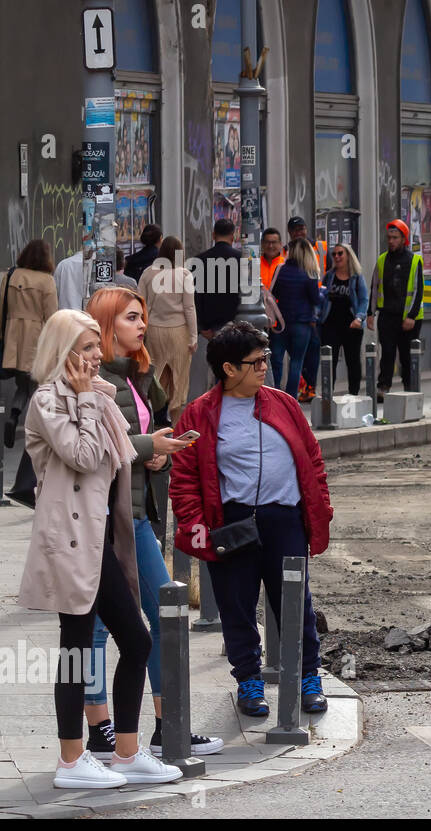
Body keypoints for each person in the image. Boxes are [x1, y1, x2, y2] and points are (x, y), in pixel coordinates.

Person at [18, 309, 183, 789]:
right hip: (70, 542)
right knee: (76, 649)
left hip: (101, 538)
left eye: (97, 347)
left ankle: (127, 753)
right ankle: (71, 762)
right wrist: (89, 398)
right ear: (63, 351)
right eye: (87, 348)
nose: (97, 356)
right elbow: (85, 456)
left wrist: (152, 452)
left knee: (136, 640)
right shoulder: (48, 401)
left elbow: (120, 456)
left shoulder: (97, 395)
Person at [81, 288, 224, 759]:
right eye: (131, 317)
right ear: (106, 324)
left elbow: (139, 439)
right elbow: (100, 449)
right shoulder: (93, 378)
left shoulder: (136, 375)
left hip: (137, 514)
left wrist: (157, 454)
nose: (142, 325)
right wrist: (151, 449)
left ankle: (168, 723)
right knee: (106, 626)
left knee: (166, 615)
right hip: (104, 519)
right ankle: (101, 729)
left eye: (141, 317)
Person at [169, 321, 334, 717]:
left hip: (285, 519)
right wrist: (198, 528)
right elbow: (184, 478)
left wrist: (321, 508)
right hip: (233, 522)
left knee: (296, 604)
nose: (264, 367)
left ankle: (308, 677)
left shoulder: (284, 404)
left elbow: (312, 459)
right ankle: (249, 682)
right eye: (256, 361)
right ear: (229, 368)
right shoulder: (199, 414)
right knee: (236, 606)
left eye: (266, 358)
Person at [2, 240, 59, 446]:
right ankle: (39, 428)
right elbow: (52, 316)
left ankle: (14, 415)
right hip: (36, 339)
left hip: (12, 338)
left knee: (24, 383)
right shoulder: (46, 281)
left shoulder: (11, 275)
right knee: (41, 385)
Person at [140, 236, 198, 424]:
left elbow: (141, 304)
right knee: (179, 377)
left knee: (156, 375)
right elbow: (189, 308)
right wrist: (193, 336)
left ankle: (153, 417)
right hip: (178, 331)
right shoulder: (184, 275)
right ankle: (176, 422)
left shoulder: (148, 273)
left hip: (155, 331)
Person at [367, 219, 423, 402]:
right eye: (389, 237)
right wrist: (370, 313)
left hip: (409, 318)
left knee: (407, 356)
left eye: (395, 237)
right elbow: (374, 288)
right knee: (387, 354)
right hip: (388, 315)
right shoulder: (382, 259)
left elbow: (418, 290)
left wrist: (411, 316)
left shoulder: (414, 260)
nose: (391, 241)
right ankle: (383, 387)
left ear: (404, 239)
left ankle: (410, 387)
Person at [268, 237, 325, 398]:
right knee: (296, 362)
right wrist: (323, 294)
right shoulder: (309, 272)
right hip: (301, 324)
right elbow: (315, 299)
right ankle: (291, 398)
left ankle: (276, 395)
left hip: (281, 323)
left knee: (277, 361)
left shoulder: (281, 270)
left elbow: (275, 294)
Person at [288, 216, 327, 401]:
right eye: (295, 230)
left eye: (301, 228)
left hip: (316, 305)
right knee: (298, 354)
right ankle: (302, 388)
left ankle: (310, 388)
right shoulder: (287, 251)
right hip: (298, 308)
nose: (299, 232)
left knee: (313, 351)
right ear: (290, 233)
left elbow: (329, 271)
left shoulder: (320, 248)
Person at [321, 244, 369, 396]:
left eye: (340, 253)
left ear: (348, 255)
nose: (337, 257)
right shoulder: (329, 276)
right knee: (330, 361)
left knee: (353, 361)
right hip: (331, 325)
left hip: (351, 325)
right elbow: (321, 297)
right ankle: (328, 395)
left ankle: (353, 394)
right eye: (334, 254)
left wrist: (359, 318)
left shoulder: (356, 277)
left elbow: (363, 300)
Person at [193, 219, 243, 339]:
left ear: (213, 235)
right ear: (233, 236)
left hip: (211, 323)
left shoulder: (199, 260)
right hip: (237, 321)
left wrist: (202, 327)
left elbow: (196, 296)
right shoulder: (241, 258)